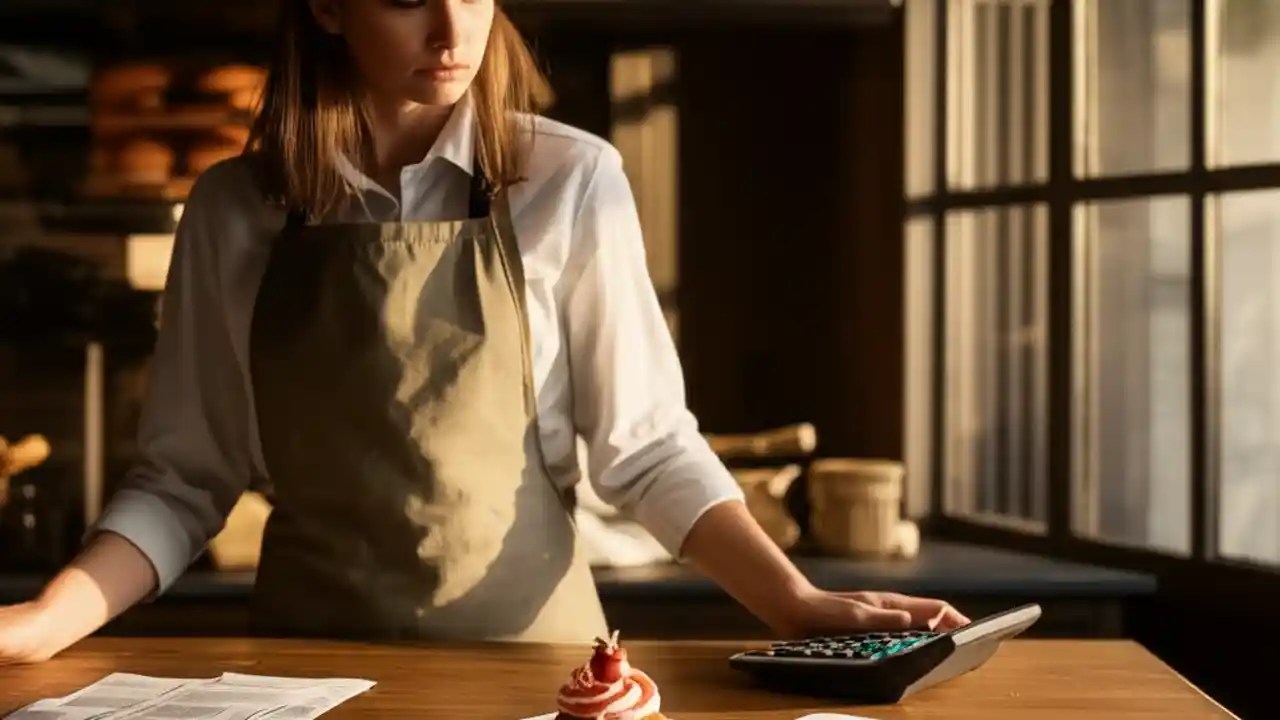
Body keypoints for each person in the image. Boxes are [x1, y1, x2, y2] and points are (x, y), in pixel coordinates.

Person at [0, 0, 969, 663]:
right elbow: (185, 479)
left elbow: (646, 450)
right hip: (301, 675)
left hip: (533, 672)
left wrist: (794, 604)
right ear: (328, 7)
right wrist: (46, 623)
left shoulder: (568, 180)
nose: (451, 28)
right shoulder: (234, 207)